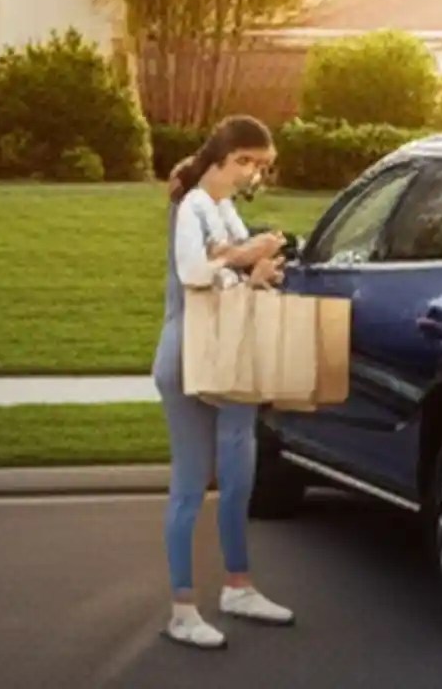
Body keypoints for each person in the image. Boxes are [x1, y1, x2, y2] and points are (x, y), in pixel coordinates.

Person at [153, 115, 290, 650]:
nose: (251, 174)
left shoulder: (225, 209)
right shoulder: (191, 206)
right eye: (245, 162)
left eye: (260, 167)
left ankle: (239, 586)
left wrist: (257, 268)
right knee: (191, 484)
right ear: (221, 157)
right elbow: (193, 271)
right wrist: (242, 257)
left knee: (239, 472)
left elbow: (227, 274)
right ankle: (182, 609)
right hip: (188, 357)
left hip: (230, 351)